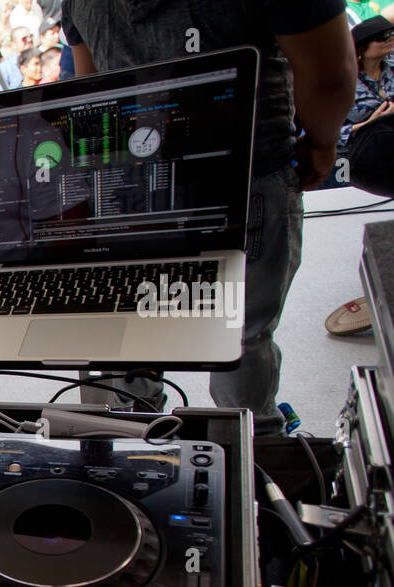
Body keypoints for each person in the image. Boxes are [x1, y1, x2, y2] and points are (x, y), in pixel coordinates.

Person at [63, 0, 357, 436]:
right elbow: (330, 76)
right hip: (243, 178)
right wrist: (322, 141)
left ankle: (128, 439)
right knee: (242, 335)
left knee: (125, 335)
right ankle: (249, 449)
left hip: (132, 187)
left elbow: (93, 89)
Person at [338, 16, 394, 197]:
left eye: (391, 34)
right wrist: (368, 125)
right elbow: (320, 133)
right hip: (346, 161)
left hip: (389, 156)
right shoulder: (340, 83)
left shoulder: (391, 69)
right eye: (381, 37)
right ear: (361, 48)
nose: (390, 39)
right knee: (347, 207)